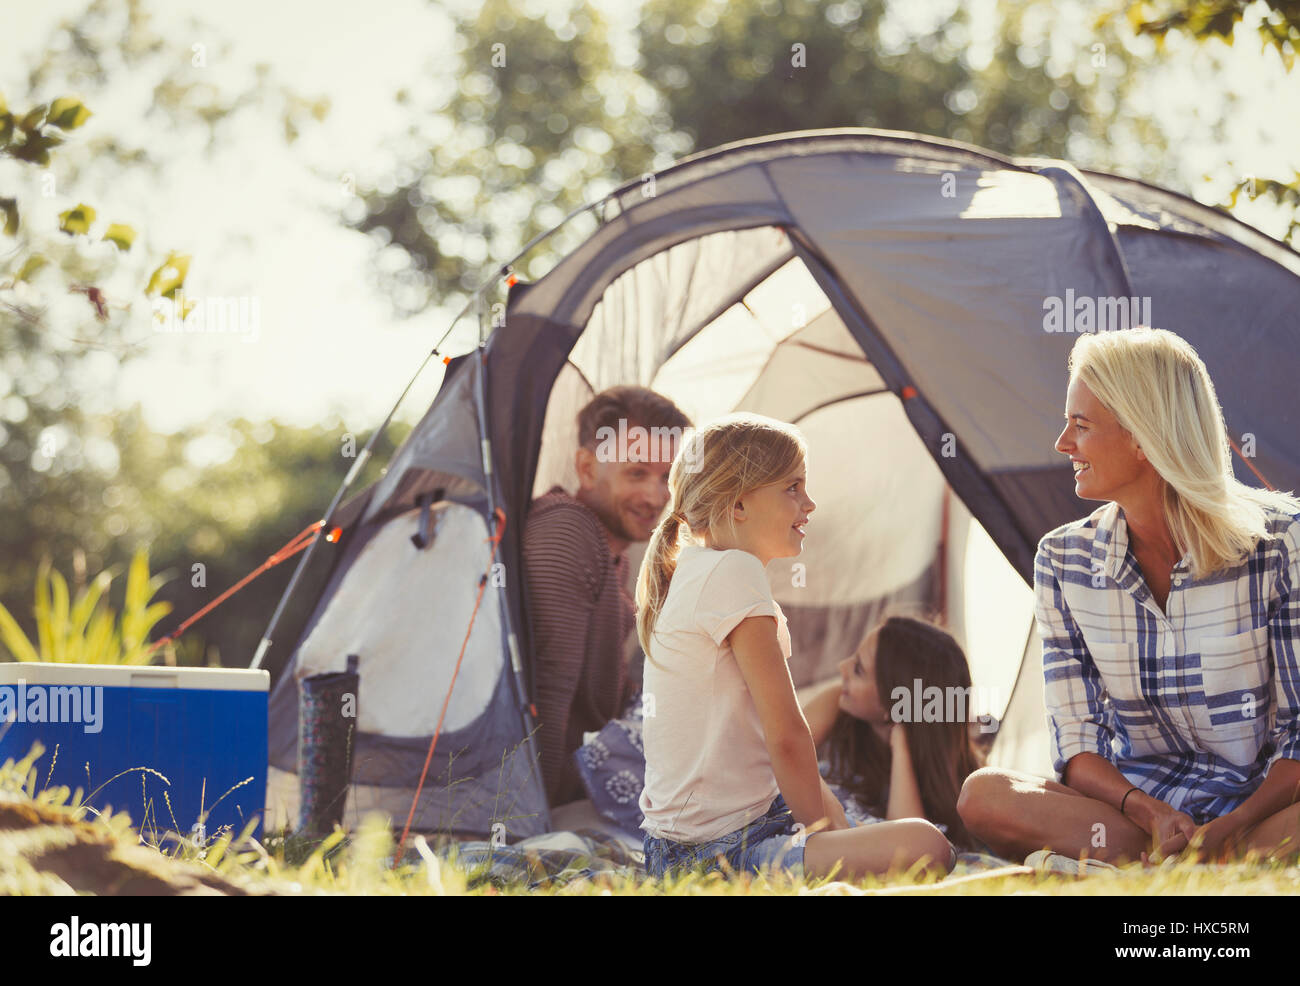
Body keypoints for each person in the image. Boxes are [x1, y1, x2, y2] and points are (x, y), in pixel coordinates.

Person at [957, 326, 1300, 866]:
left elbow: (1298, 734)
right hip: (1134, 816)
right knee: (985, 795)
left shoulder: (1280, 541)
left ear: (1143, 436)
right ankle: (1198, 860)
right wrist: (1151, 813)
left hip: (1262, 808)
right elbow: (1077, 744)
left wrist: (1234, 824)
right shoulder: (1063, 560)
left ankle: (1211, 855)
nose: (1062, 444)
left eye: (1081, 425)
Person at [636, 412, 955, 881]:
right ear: (738, 504)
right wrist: (824, 839)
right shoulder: (733, 573)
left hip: (681, 849)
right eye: (792, 488)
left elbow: (784, 751)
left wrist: (838, 832)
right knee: (928, 844)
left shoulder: (696, 572)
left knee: (868, 826)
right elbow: (786, 735)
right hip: (720, 856)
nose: (809, 504)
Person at [523, 385, 691, 807]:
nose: (656, 498)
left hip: (589, 777)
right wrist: (527, 823)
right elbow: (547, 690)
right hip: (554, 793)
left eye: (665, 478)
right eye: (636, 473)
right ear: (586, 468)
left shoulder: (616, 556)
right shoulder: (567, 532)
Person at [797, 616, 986, 851]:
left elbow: (908, 845)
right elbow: (784, 754)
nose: (842, 667)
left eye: (858, 670)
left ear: (891, 705)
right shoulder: (837, 701)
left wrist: (901, 745)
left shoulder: (956, 783)